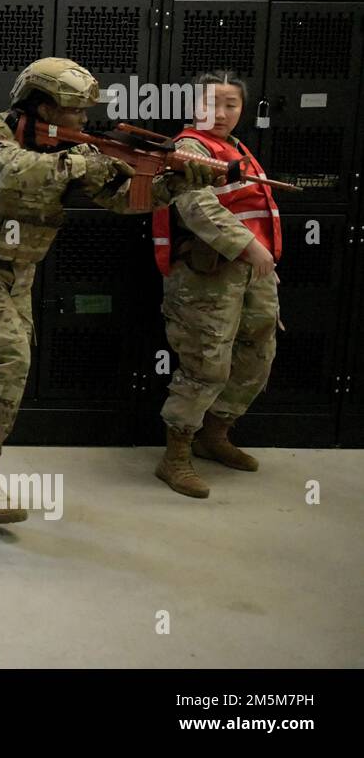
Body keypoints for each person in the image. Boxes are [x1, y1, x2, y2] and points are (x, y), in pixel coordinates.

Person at [0, 57, 216, 524]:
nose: (83, 120)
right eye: (74, 111)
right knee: (8, 360)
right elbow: (10, 171)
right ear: (41, 107)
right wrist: (82, 161)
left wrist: (175, 182)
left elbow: (126, 200)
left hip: (19, 275)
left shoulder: (77, 150)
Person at [151, 71, 277, 498]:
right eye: (210, 103)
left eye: (231, 105)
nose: (220, 113)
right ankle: (176, 456)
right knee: (205, 363)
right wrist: (250, 247)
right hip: (209, 274)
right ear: (192, 106)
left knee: (257, 351)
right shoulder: (189, 149)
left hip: (251, 271)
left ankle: (215, 435)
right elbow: (196, 208)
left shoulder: (236, 147)